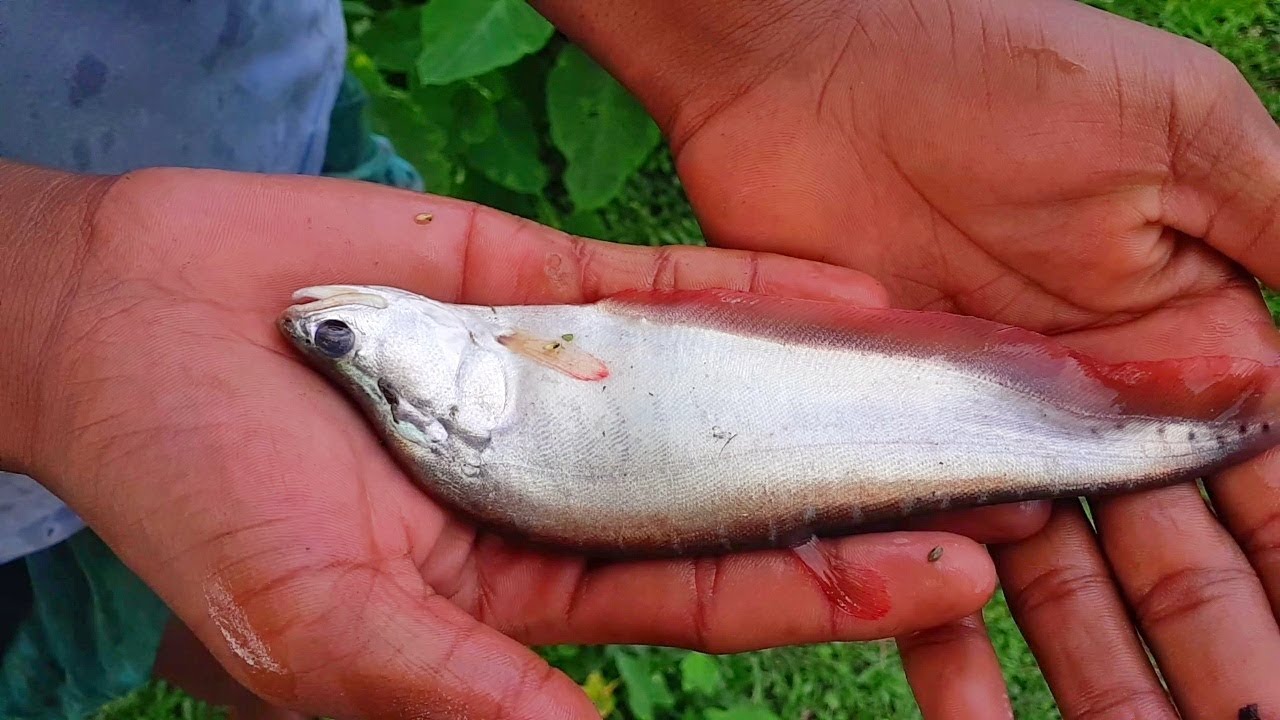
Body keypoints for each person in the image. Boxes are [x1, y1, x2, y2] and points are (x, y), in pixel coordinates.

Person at [0, 2, 1275, 719]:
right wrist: (46, 304)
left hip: (240, 124)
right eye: (339, 345)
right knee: (145, 620)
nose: (327, 328)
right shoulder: (464, 378)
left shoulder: (422, 331)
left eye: (335, 341)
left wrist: (768, 37)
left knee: (255, 597)